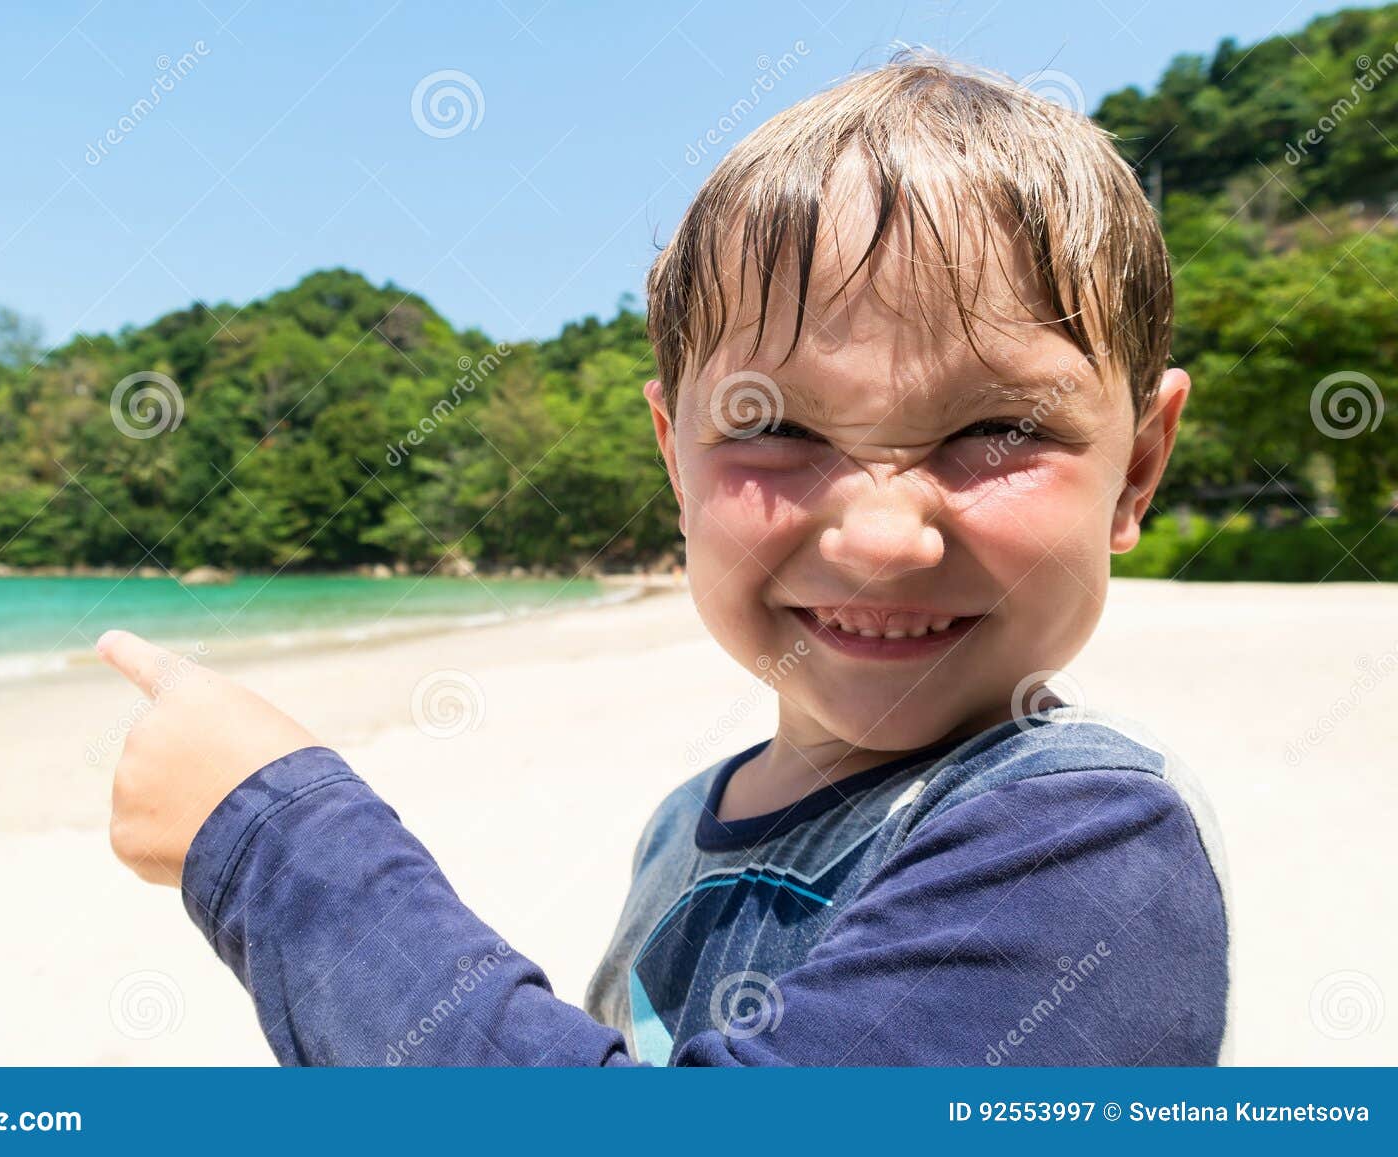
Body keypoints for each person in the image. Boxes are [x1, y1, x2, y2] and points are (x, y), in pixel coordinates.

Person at [98, 51, 1232, 1066]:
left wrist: (279, 847)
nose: (881, 537)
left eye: (1000, 431)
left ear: (1136, 467)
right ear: (673, 460)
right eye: (776, 426)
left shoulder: (1084, 849)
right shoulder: (691, 814)